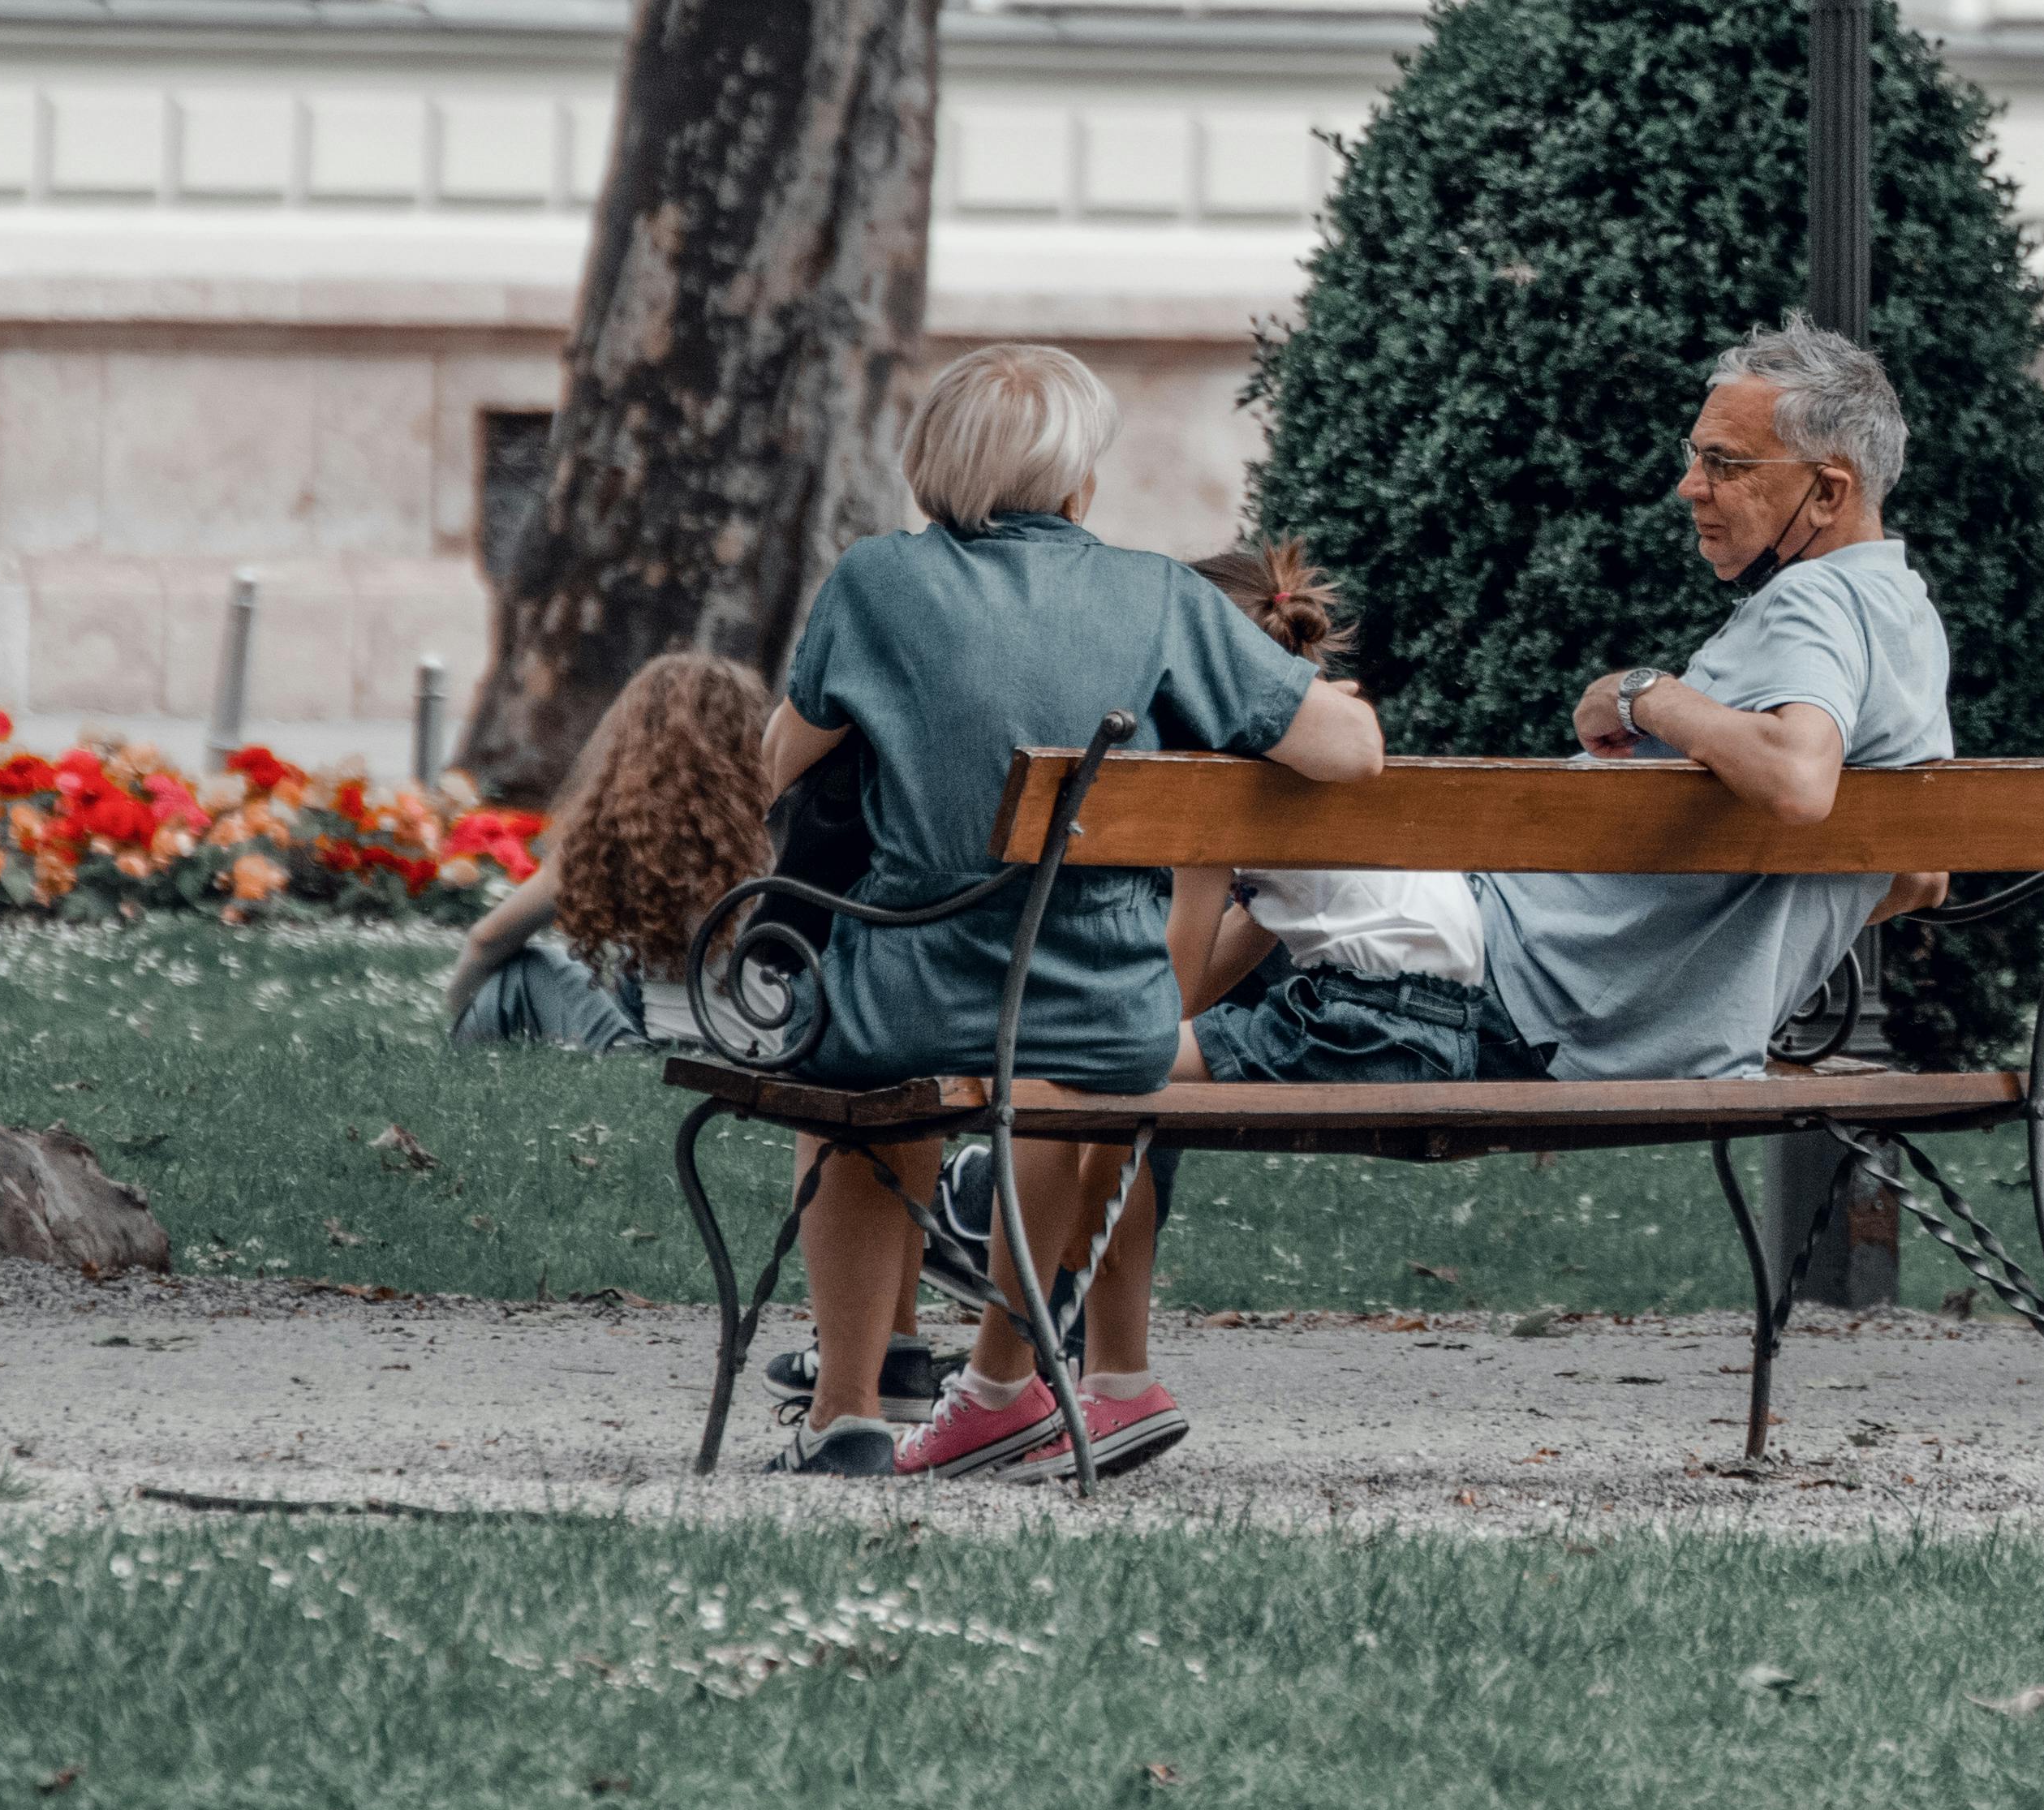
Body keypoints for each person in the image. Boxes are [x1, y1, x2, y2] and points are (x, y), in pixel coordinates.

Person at [758, 342, 1383, 1479]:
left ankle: (846, 1409)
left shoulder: (875, 581)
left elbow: (779, 759)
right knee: (1013, 1075)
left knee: (845, 1088)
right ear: (1078, 482)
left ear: (931, 469)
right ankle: (1006, 1378)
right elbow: (1351, 751)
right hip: (1106, 1012)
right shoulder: (1158, 594)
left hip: (910, 993)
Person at [1168, 316, 1950, 1091]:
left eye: (1724, 462)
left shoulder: (1813, 598)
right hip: (1575, 1013)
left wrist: (1643, 695)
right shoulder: (1904, 614)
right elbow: (1919, 879)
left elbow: (1797, 780)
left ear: (1826, 491)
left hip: (1500, 983)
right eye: (1694, 455)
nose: (1689, 485)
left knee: (1229, 821)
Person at [1164, 540, 1508, 1085]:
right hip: (1456, 1031)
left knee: (1097, 1060)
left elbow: (1171, 996)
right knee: (1121, 1054)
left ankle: (1036, 1175)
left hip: (1354, 1026)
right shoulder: (1327, 747)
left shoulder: (1218, 781)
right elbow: (1249, 936)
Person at [444, 652, 771, 1051]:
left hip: (675, 1057)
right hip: (768, 1052)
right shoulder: (761, 833)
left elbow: (487, 939)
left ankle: (457, 1045)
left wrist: (457, 1007)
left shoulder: (625, 833)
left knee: (533, 969)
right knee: (627, 980)